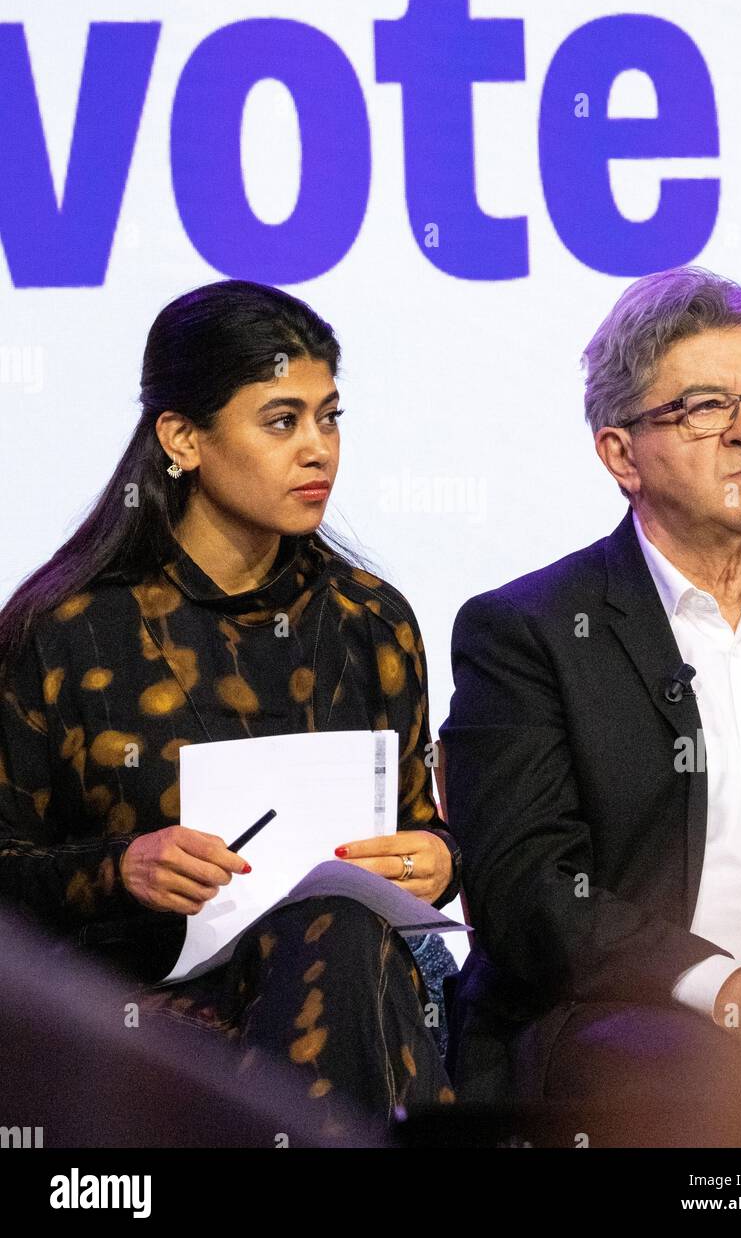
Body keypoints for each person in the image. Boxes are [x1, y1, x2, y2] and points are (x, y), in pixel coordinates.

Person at [0, 278, 461, 1134]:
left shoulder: (371, 620)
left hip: (350, 982)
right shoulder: (62, 633)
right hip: (140, 1010)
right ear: (182, 438)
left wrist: (435, 862)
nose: (319, 449)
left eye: (330, 417)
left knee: (344, 931)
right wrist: (123, 867)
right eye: (282, 421)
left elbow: (421, 826)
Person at [439, 265, 741, 1146]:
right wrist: (734, 991)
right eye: (706, 407)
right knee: (712, 1077)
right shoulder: (529, 634)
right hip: (631, 1015)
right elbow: (533, 897)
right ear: (621, 453)